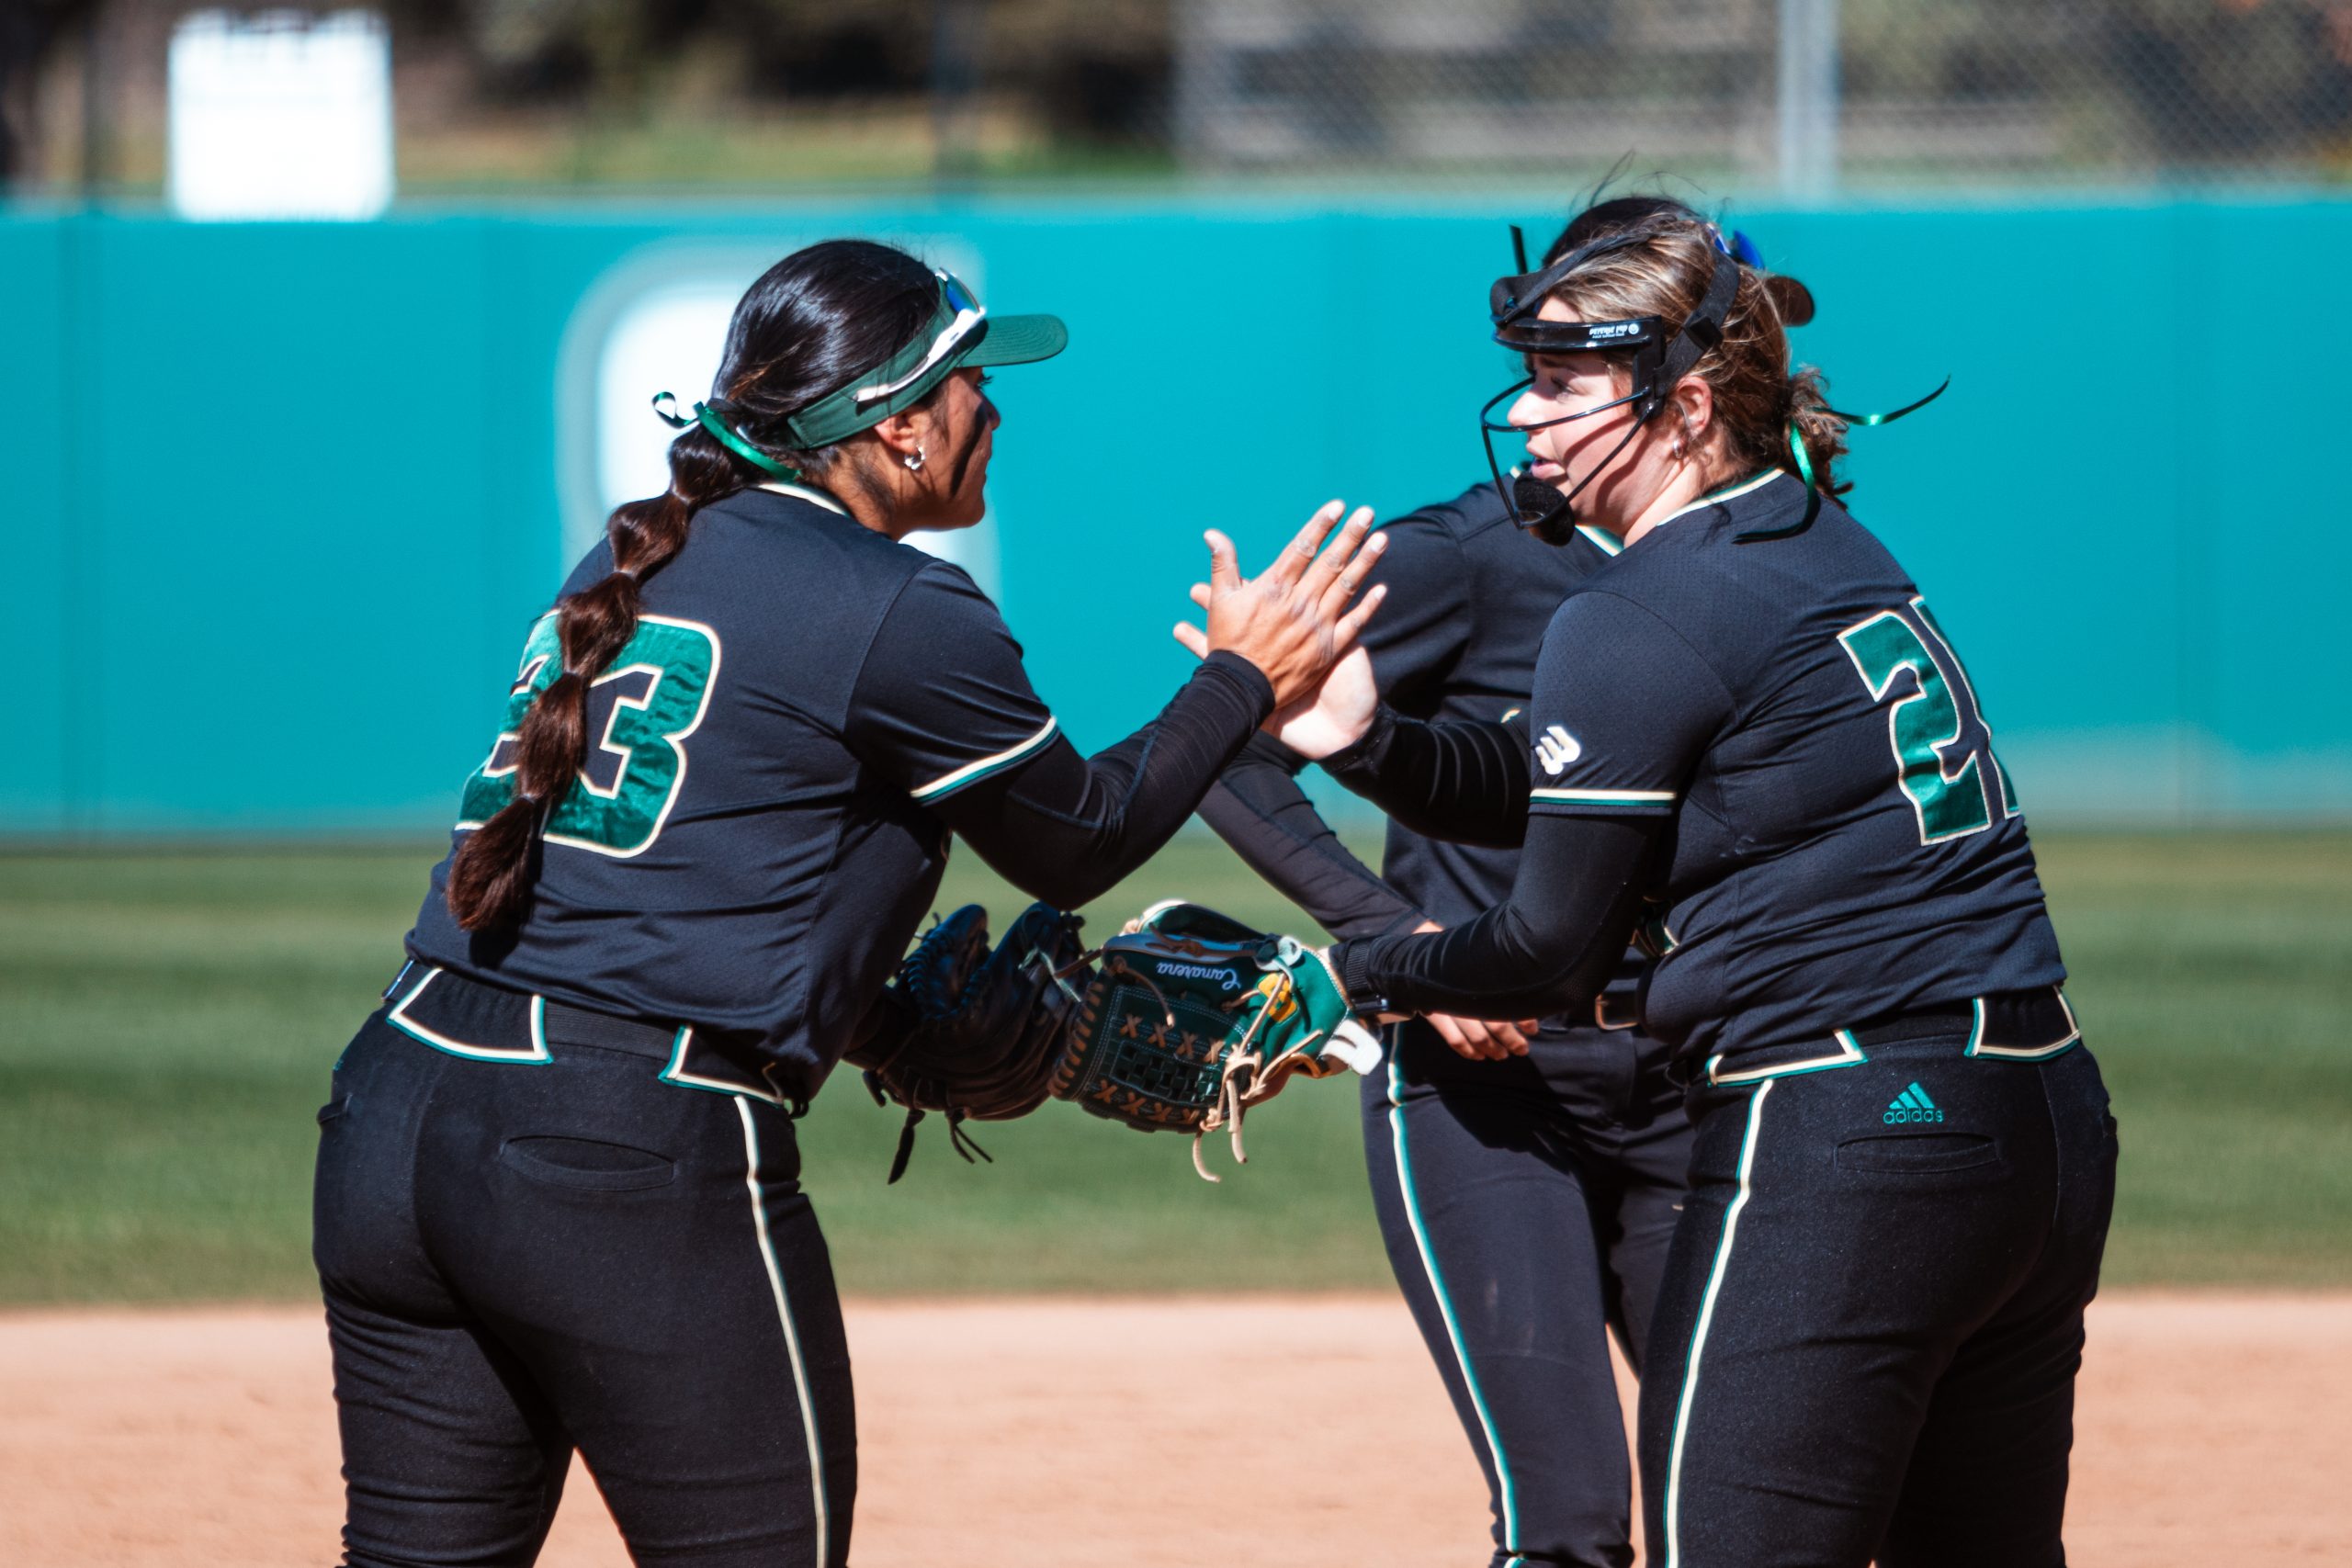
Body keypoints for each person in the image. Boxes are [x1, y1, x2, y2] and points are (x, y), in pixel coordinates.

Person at [311, 238, 1385, 1568]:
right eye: (969, 384)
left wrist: (862, 1012)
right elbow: (1077, 848)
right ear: (899, 433)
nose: (993, 408)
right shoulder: (902, 609)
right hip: (619, 1155)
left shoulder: (637, 553)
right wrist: (1241, 679)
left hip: (393, 1118)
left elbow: (661, 882)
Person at [1260, 212, 2116, 1567]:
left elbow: (1546, 949)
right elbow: (1603, 788)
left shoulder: (1635, 607)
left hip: (1847, 1129)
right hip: (2041, 1119)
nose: (1527, 417)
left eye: (1561, 383)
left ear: (1688, 400)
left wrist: (1349, 976)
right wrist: (1367, 745)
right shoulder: (1818, 539)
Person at [1196, 196, 1780, 1568]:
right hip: (1485, 1093)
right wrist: (1397, 933)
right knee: (1570, 1520)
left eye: (1564, 376)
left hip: (1693, 1075)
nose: (1529, 411)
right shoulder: (1471, 553)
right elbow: (1225, 755)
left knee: (1753, 1507)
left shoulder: (1752, 554)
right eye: (1534, 371)